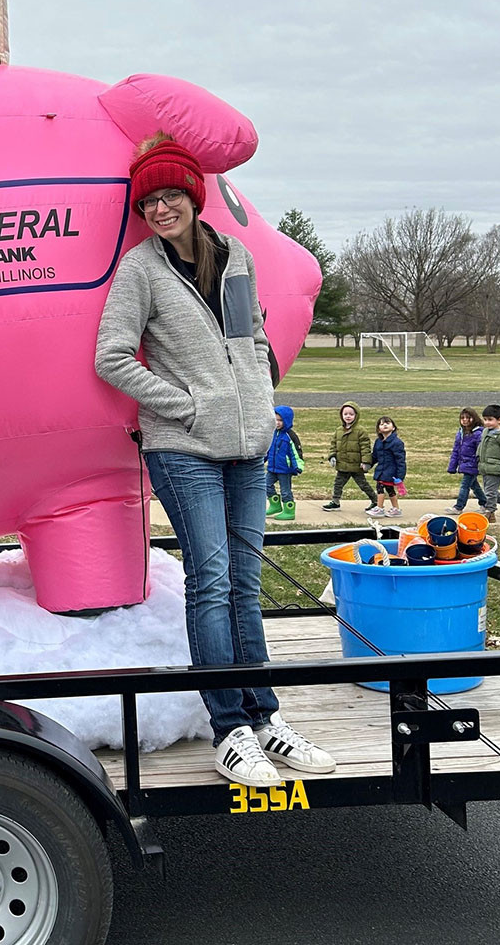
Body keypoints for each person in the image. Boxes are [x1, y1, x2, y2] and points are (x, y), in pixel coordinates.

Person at [95, 133, 335, 788]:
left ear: (193, 196)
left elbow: (252, 338)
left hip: (249, 446)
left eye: (170, 195)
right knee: (212, 578)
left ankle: (265, 717)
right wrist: (186, 405)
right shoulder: (141, 269)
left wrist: (259, 404)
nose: (160, 209)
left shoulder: (236, 258)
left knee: (245, 584)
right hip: (184, 447)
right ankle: (228, 727)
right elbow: (111, 356)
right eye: (149, 202)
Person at [320, 402, 375, 512]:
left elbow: (365, 448)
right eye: (345, 414)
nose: (348, 416)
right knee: (338, 484)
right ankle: (335, 502)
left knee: (363, 485)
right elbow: (333, 445)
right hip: (343, 465)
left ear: (356, 415)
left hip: (356, 465)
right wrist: (332, 456)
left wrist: (366, 462)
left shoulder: (360, 431)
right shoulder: (338, 430)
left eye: (351, 414)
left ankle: (375, 501)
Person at [265, 405, 304, 521]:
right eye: (275, 419)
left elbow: (296, 452)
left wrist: (298, 466)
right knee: (266, 485)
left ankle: (289, 510)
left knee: (285, 491)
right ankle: (275, 505)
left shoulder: (290, 436)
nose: (277, 423)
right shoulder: (273, 434)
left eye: (280, 420)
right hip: (272, 468)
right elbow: (268, 450)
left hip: (285, 469)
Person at [447, 407, 487, 513]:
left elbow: (481, 451)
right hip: (465, 464)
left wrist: (478, 463)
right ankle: (485, 503)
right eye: (462, 418)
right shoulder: (461, 433)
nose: (464, 420)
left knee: (465, 486)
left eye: (468, 418)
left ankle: (459, 507)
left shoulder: (478, 434)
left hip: (473, 465)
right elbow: (456, 450)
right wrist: (452, 466)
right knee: (475, 486)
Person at [368, 415, 406, 517]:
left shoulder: (397, 443)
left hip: (391, 472)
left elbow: (401, 461)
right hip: (381, 470)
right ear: (378, 429)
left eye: (387, 423)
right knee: (389, 490)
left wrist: (400, 476)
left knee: (380, 487)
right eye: (381, 424)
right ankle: (396, 509)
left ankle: (380, 508)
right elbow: (375, 456)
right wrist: (368, 464)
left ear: (393, 428)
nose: (384, 425)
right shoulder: (378, 442)